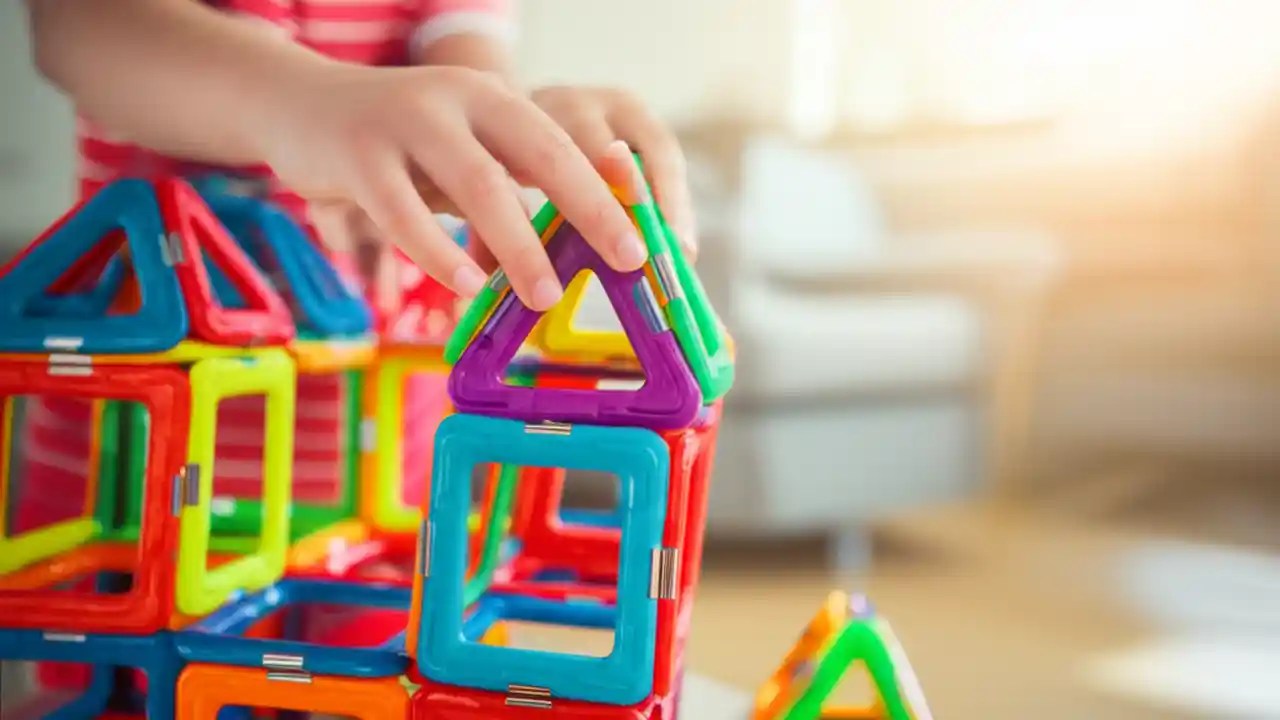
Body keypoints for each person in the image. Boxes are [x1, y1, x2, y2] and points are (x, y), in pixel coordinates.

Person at [16, 0, 696, 533]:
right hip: (128, 487)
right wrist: (300, 98)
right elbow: (76, 26)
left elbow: (469, 67)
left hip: (388, 481)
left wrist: (520, 128)